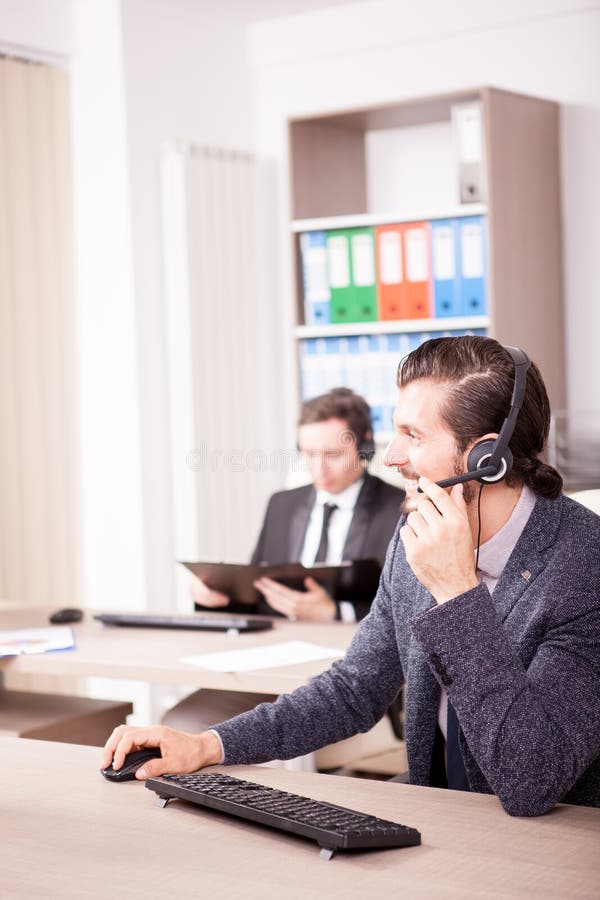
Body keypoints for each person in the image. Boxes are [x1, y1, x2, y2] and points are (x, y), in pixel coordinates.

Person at [102, 336, 600, 816]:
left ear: (484, 460)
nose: (390, 457)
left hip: (552, 839)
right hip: (449, 811)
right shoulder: (417, 535)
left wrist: (455, 591)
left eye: (414, 436)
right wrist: (206, 745)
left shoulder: (584, 564)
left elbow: (533, 780)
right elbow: (354, 688)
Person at [163, 387, 404, 731]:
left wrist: (333, 613)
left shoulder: (399, 508)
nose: (319, 468)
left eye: (332, 454)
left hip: (351, 675)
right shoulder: (283, 505)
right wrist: (216, 599)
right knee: (184, 724)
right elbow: (256, 593)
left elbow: (410, 611)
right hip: (272, 666)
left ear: (364, 448)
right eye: (308, 453)